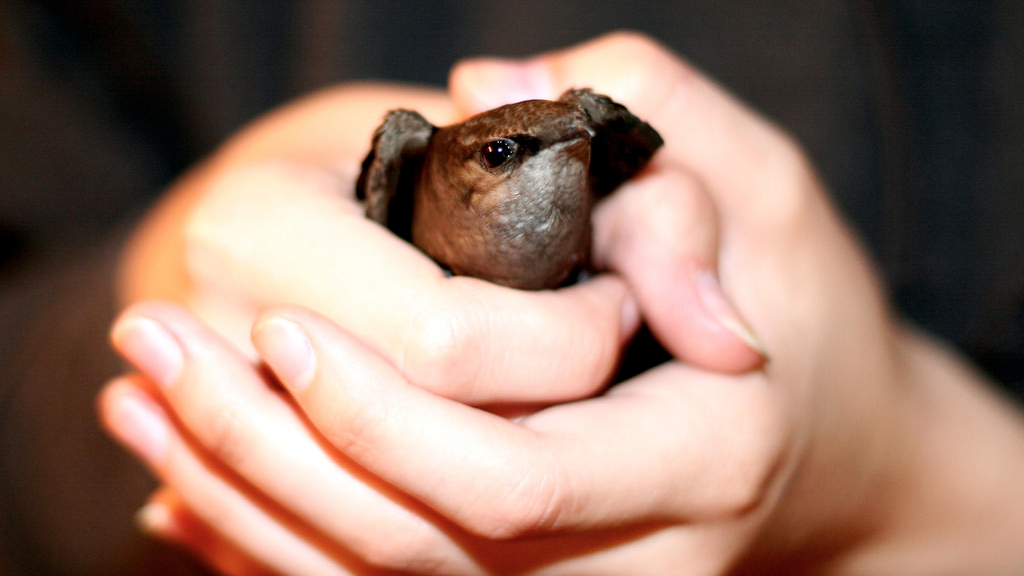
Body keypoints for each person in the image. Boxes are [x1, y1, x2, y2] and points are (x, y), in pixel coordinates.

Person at [1, 2, 1022, 575]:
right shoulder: (409, 152)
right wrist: (165, 282)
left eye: (579, 143)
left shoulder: (587, 147)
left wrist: (908, 475)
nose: (563, 150)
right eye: (504, 154)